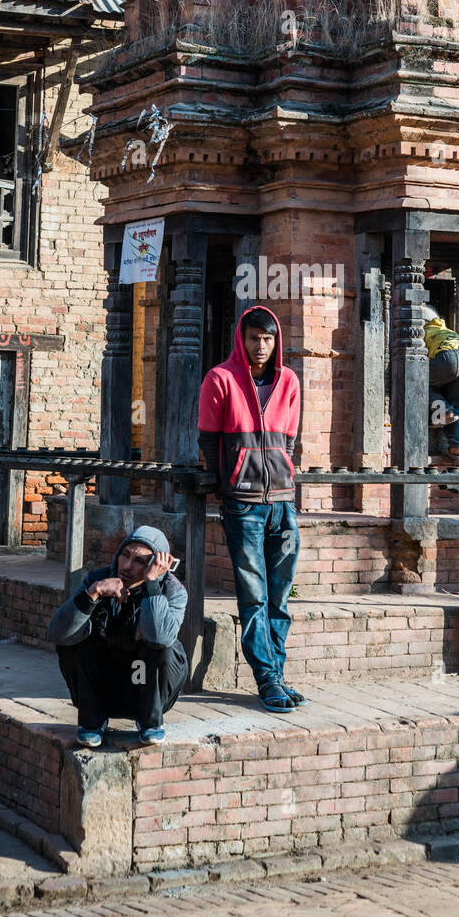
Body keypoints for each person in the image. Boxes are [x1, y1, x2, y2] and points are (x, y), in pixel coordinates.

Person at [197, 305, 305, 714]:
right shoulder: (220, 378)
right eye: (254, 338)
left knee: (280, 595)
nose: (260, 346)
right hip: (242, 505)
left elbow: (289, 440)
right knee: (255, 595)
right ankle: (266, 679)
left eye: (267, 338)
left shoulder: (289, 380)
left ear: (276, 342)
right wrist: (225, 479)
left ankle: (277, 673)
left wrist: (284, 477)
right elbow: (208, 439)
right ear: (241, 341)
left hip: (282, 502)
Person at [47, 525, 188, 748]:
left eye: (140, 561)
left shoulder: (173, 591)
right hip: (104, 684)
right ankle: (93, 720)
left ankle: (149, 721)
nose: (128, 566)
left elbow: (160, 638)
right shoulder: (98, 580)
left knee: (166, 646)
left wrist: (152, 587)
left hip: (144, 684)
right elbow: (57, 633)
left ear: (156, 565)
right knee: (72, 640)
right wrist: (93, 593)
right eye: (125, 555)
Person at [423, 307, 459, 460]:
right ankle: (456, 447)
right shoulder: (444, 329)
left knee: (418, 382)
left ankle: (445, 411)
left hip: (447, 357)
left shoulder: (422, 329)